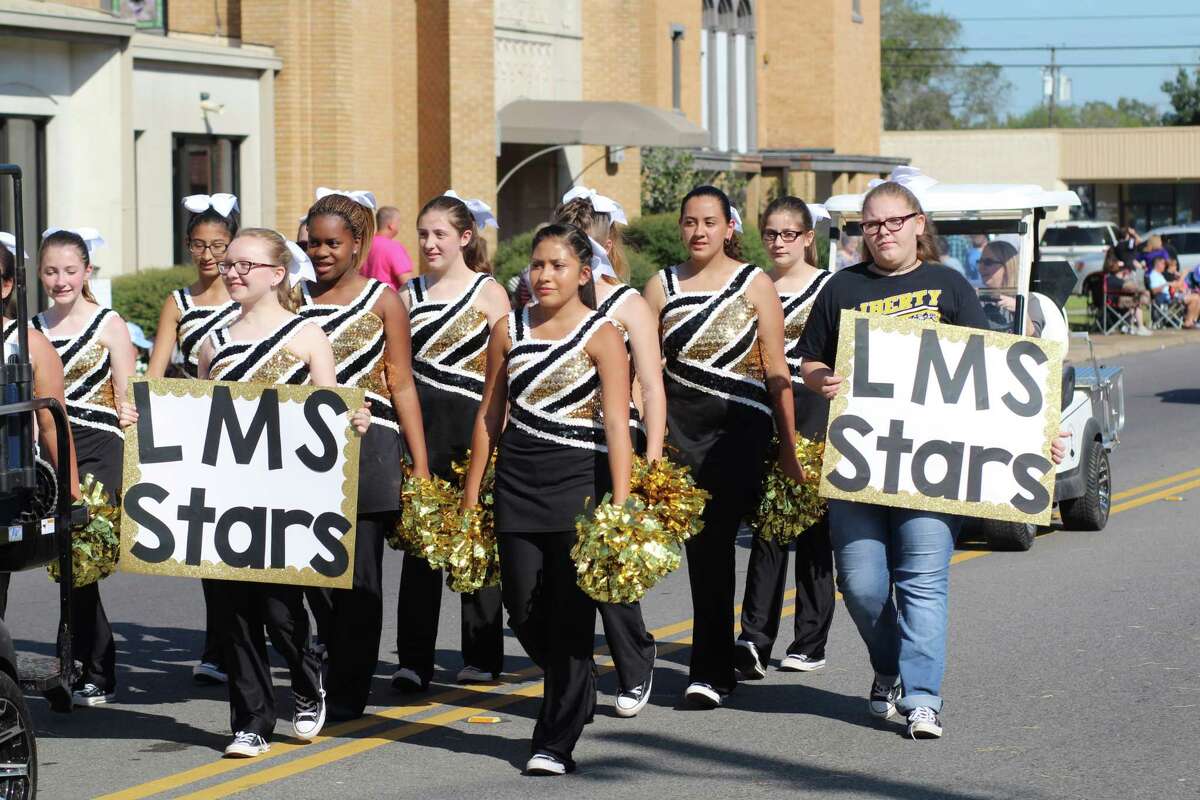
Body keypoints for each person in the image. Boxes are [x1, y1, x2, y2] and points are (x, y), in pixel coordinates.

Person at [797, 180, 1067, 740]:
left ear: (919, 224)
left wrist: (1035, 439)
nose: (883, 233)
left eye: (894, 222)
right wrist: (823, 379)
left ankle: (923, 698)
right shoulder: (840, 288)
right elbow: (811, 360)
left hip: (932, 471)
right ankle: (889, 665)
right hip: (861, 464)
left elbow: (990, 377)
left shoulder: (949, 285)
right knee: (863, 583)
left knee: (922, 582)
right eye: (872, 225)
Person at [461, 224, 632, 776]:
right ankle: (576, 678)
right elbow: (491, 412)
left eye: (557, 265)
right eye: (537, 264)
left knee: (570, 613)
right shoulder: (509, 328)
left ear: (584, 274)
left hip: (578, 486)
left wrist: (622, 504)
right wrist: (471, 493)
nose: (544, 275)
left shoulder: (601, 333)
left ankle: (554, 740)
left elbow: (616, 428)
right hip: (516, 483)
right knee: (522, 607)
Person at [192, 227, 369, 758]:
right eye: (229, 264)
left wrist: (352, 418)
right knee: (232, 611)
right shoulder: (213, 341)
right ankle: (251, 721)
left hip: (288, 499)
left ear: (277, 274)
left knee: (279, 608)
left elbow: (329, 409)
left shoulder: (307, 337)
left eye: (246, 264)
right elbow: (194, 416)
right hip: (226, 496)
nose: (234, 272)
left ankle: (306, 671)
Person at [642, 185, 803, 709]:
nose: (698, 231)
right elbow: (644, 373)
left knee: (720, 543)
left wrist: (788, 444)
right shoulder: (660, 287)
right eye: (690, 222)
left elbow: (777, 369)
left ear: (729, 227)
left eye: (709, 222)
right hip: (680, 433)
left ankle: (716, 665)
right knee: (702, 551)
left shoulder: (755, 284)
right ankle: (711, 667)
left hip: (740, 430)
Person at [300, 190, 430, 720]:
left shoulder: (383, 300)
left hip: (368, 442)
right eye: (314, 242)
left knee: (361, 576)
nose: (322, 252)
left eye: (333, 242)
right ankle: (337, 655)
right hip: (300, 449)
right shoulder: (291, 298)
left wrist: (418, 462)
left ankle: (350, 689)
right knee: (312, 571)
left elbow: (400, 383)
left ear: (358, 244)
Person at [553, 187, 662, 717]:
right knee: (559, 563)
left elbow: (652, 385)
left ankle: (635, 658)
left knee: (606, 554)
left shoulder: (628, 303)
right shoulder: (540, 306)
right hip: (550, 444)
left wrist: (653, 454)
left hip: (612, 440)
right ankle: (576, 667)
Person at [392, 192, 508, 693]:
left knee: (476, 541)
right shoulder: (405, 295)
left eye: (440, 234)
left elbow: (503, 375)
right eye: (422, 234)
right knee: (419, 551)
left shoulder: (490, 293)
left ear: (464, 237)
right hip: (421, 432)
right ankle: (413, 659)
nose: (429, 243)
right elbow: (392, 371)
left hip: (475, 431)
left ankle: (481, 653)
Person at [33, 227, 137, 707]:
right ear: (39, 274)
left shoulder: (109, 322)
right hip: (49, 449)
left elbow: (126, 392)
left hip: (99, 445)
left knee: (83, 552)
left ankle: (86, 664)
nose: (61, 280)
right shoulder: (31, 329)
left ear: (86, 272)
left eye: (70, 271)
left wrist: (131, 416)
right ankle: (83, 662)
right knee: (64, 557)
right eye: (52, 271)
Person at [734, 196, 835, 681]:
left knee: (813, 527)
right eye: (770, 234)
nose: (778, 243)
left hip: (814, 408)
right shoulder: (753, 285)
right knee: (768, 527)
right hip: (763, 408)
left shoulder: (829, 287)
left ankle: (810, 641)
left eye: (788, 234)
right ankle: (754, 638)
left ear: (808, 238)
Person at [147, 193, 240, 686]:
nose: (209, 255)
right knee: (211, 541)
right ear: (189, 247)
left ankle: (279, 637)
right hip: (199, 435)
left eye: (219, 245)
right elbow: (157, 371)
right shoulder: (178, 303)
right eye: (200, 245)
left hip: (252, 434)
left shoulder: (249, 296)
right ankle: (217, 646)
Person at [0, 244, 80, 618]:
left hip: (7, 482)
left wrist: (72, 490)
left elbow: (51, 422)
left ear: (6, 286)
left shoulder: (27, 343)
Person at [976, 240, 1047, 336]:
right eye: (979, 262)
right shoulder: (976, 296)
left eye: (988, 262)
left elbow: (1035, 340)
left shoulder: (1028, 299)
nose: (981, 267)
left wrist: (1018, 310)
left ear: (1007, 266)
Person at [362, 205, 415, 291]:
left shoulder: (365, 244)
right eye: (398, 222)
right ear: (391, 225)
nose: (399, 226)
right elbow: (408, 283)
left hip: (367, 299)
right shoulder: (393, 247)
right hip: (389, 300)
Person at [1100, 250, 1152, 335]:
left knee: (1136, 299)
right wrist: (1143, 290)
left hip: (1112, 299)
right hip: (1115, 301)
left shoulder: (1106, 277)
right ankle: (1140, 327)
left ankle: (1130, 325)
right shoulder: (1113, 279)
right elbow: (1132, 288)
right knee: (1138, 301)